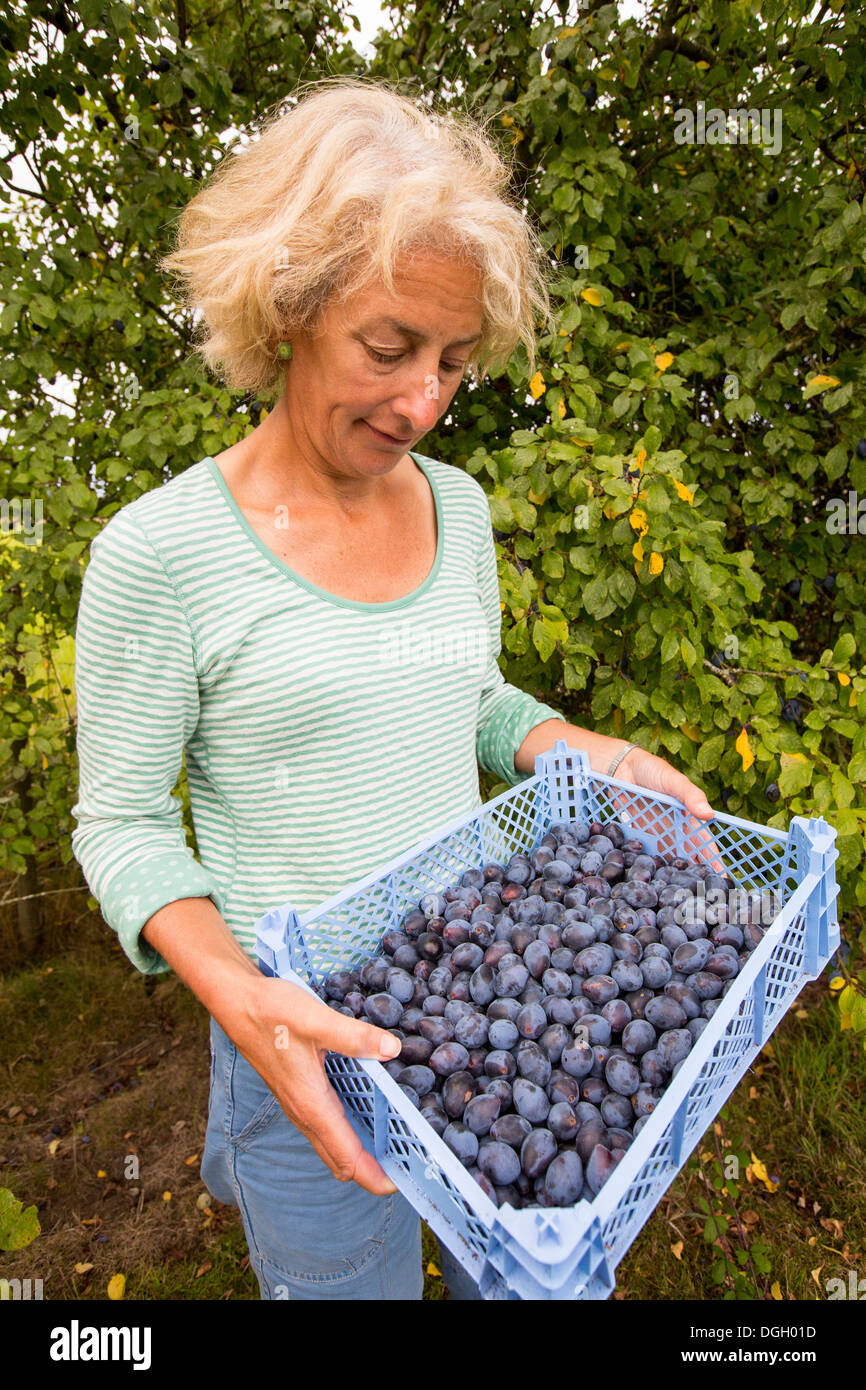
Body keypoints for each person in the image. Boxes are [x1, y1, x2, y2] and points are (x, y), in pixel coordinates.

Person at [70, 76, 716, 1301]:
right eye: (387, 348)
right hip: (301, 1034)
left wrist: (574, 744)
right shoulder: (160, 555)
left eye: (454, 363)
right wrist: (245, 1003)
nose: (423, 401)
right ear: (289, 308)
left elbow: (466, 700)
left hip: (485, 992)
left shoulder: (456, 507)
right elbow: (123, 825)